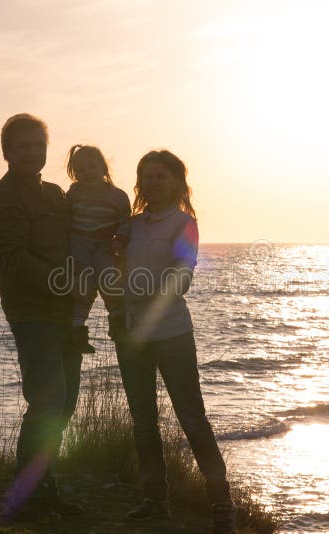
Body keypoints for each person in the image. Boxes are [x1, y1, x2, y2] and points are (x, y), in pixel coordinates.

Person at [115, 150, 237, 534]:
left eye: (160, 177)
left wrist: (137, 288)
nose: (152, 183)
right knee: (143, 422)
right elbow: (112, 268)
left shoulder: (185, 223)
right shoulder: (131, 225)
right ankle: (155, 501)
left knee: (192, 419)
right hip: (133, 335)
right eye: (146, 177)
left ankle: (222, 504)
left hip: (172, 334)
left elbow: (183, 275)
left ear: (177, 183)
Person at [0, 113, 83, 518]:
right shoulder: (4, 199)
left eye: (36, 145)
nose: (30, 153)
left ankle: (44, 484)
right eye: (21, 147)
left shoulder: (56, 193)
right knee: (48, 399)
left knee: (66, 401)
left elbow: (82, 237)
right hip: (34, 313)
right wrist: (64, 283)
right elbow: (13, 260)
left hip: (68, 313)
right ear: (7, 153)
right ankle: (28, 492)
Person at [64, 144, 130, 352]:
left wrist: (120, 239)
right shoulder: (73, 193)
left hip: (104, 244)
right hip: (79, 242)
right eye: (81, 170)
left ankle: (118, 322)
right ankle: (77, 330)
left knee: (111, 282)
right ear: (75, 174)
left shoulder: (117, 196)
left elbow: (125, 221)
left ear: (103, 167)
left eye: (92, 167)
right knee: (83, 287)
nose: (87, 173)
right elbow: (65, 220)